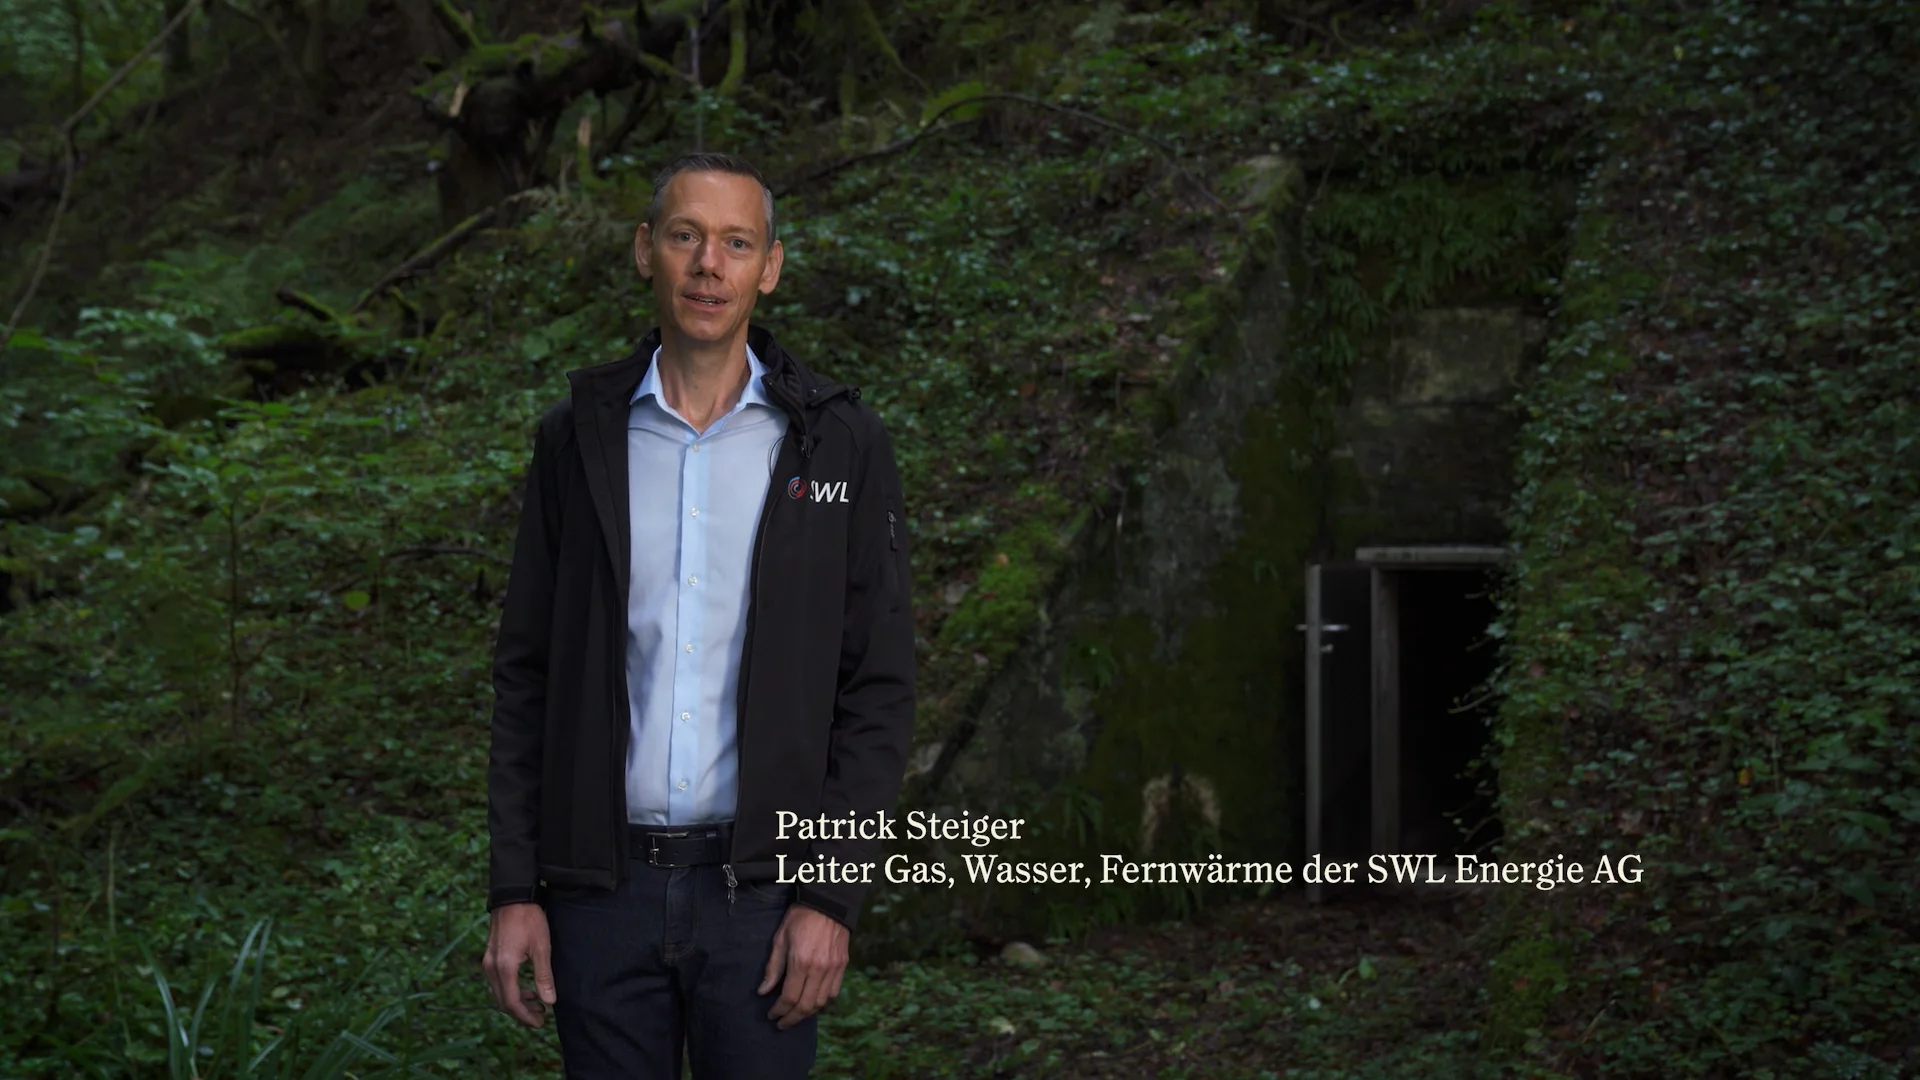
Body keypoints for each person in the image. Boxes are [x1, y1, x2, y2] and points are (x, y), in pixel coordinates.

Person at [479, 151, 917, 1079]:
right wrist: (516, 888)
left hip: (761, 895)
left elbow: (876, 691)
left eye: (735, 243)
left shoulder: (837, 441)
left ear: (770, 266)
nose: (708, 265)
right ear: (647, 252)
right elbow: (527, 676)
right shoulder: (577, 438)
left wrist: (830, 898)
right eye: (685, 237)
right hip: (599, 893)